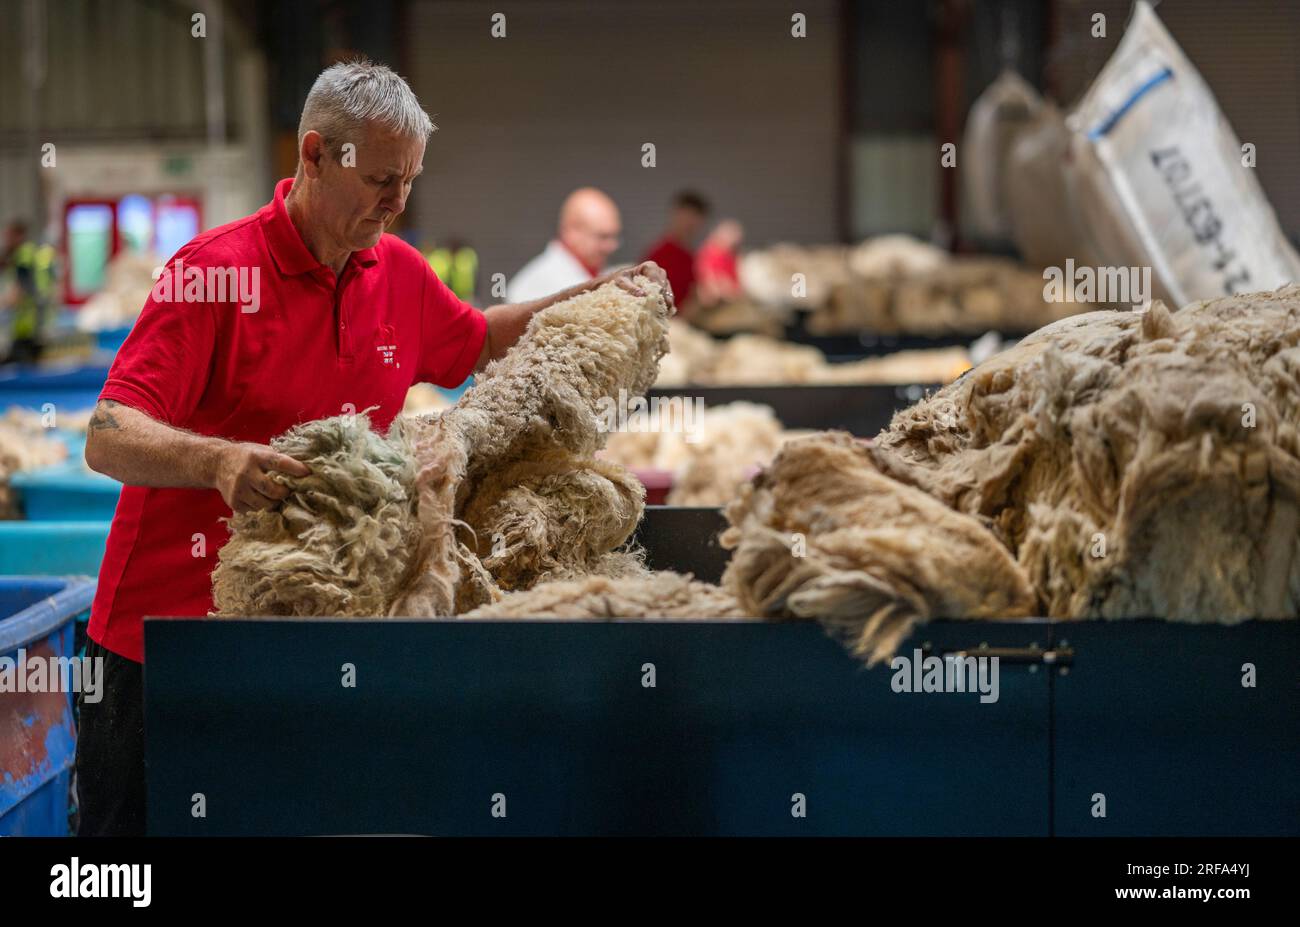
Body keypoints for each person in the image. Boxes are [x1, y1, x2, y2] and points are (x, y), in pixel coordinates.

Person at [76, 59, 670, 836]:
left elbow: (478, 341)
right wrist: (216, 460)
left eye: (411, 181)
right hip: (162, 652)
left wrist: (593, 294)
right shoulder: (214, 274)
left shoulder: (396, 273)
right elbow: (107, 431)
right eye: (381, 180)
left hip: (306, 643)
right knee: (122, 873)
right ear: (315, 155)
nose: (397, 204)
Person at [506, 187, 622, 302]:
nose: (612, 246)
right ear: (572, 231)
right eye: (603, 237)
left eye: (615, 236)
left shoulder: (605, 271)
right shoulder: (532, 287)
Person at [641, 191, 709, 312]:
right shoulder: (659, 253)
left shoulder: (691, 256)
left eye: (695, 217)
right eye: (686, 215)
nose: (690, 222)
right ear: (675, 214)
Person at [1, 220, 56, 364]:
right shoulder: (32, 251)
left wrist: (5, 304)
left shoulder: (23, 254)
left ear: (19, 236)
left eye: (9, 236)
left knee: (21, 365)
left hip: (26, 321)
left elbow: (20, 288)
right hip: (35, 318)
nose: (6, 239)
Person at [693, 219, 744, 307]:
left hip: (727, 300)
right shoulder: (708, 253)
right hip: (711, 301)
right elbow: (706, 278)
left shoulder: (731, 257)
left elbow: (736, 282)